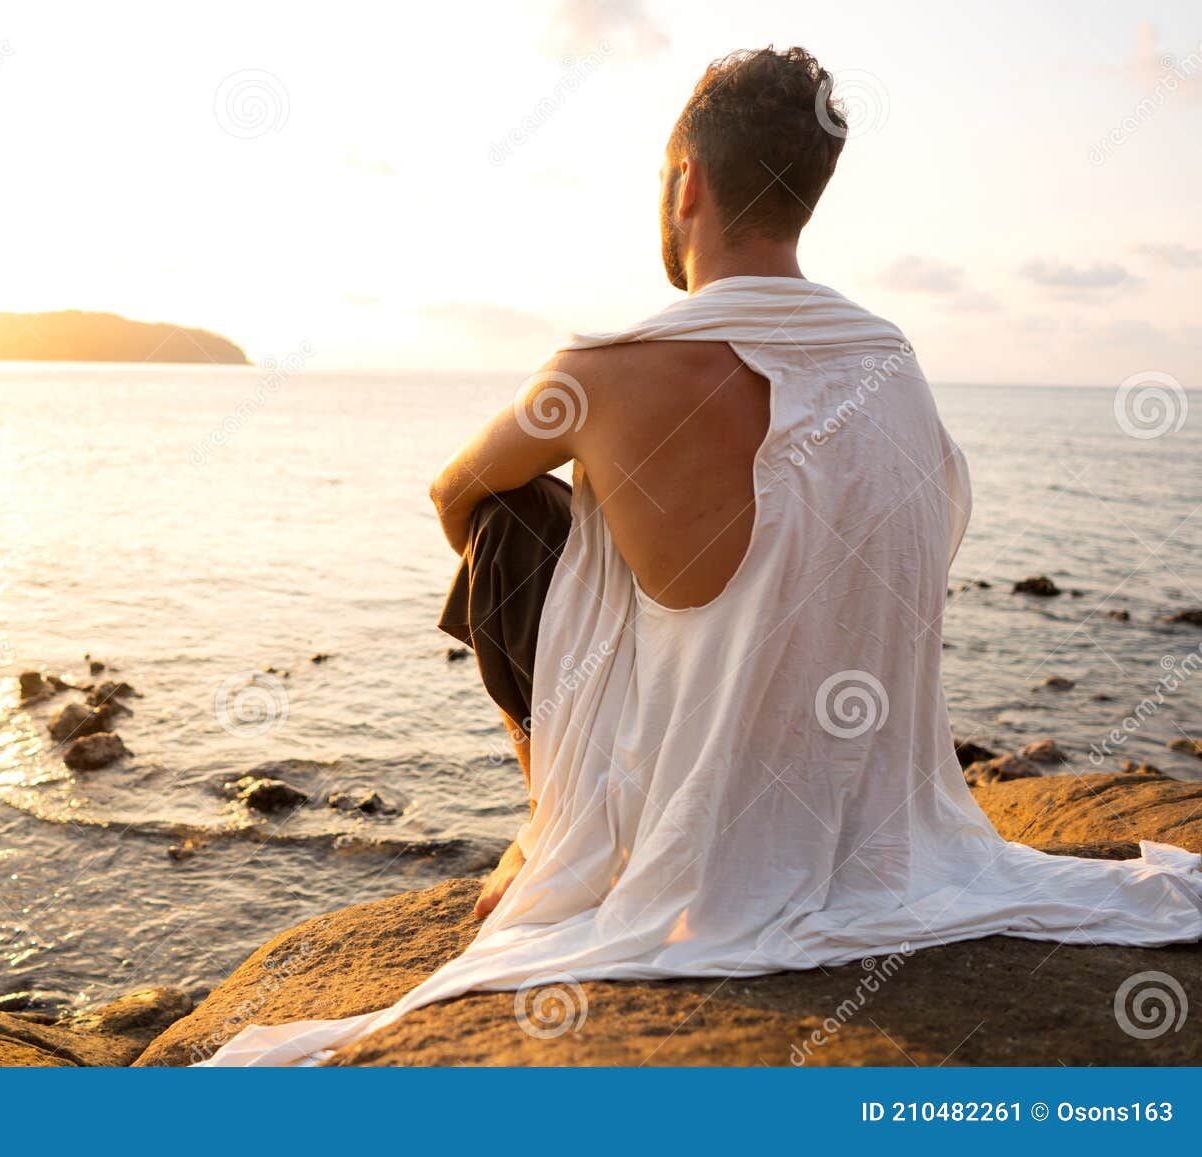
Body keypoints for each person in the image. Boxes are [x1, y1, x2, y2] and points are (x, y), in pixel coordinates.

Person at [198, 45, 1202, 1067]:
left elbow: (456, 492)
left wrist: (609, 558)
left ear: (685, 182)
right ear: (807, 195)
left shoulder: (598, 370)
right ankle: (585, 804)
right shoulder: (892, 365)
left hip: (669, 803)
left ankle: (555, 825)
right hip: (872, 815)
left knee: (516, 515)